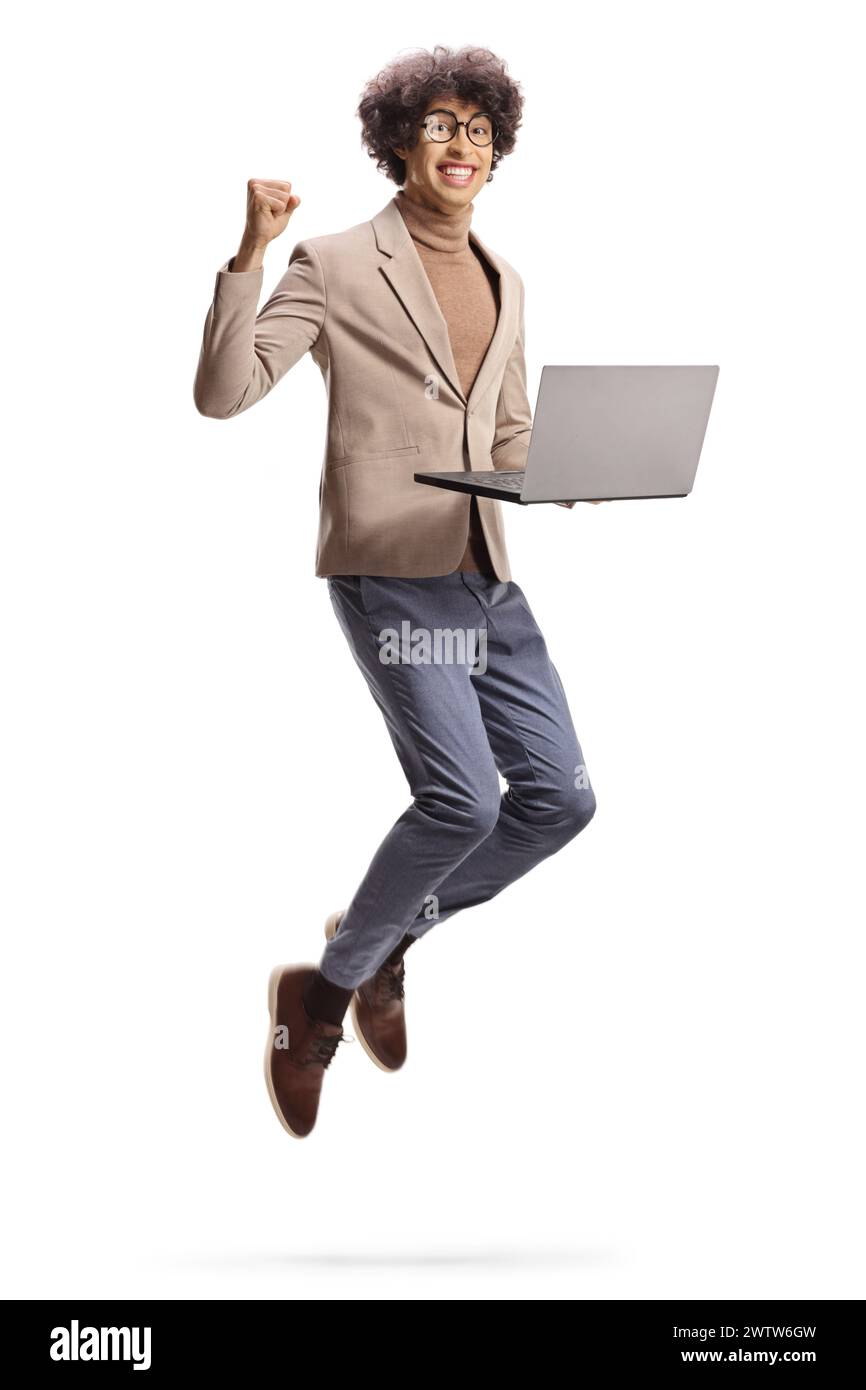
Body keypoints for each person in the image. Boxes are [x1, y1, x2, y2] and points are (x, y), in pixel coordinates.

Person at [194, 44, 600, 1140]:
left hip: (485, 573)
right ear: (397, 141)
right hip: (391, 571)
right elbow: (223, 394)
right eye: (438, 124)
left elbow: (507, 428)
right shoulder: (330, 262)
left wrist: (564, 473)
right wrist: (251, 253)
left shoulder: (508, 279)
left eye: (477, 127)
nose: (458, 143)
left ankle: (377, 939)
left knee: (559, 799)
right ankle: (322, 992)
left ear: (495, 150)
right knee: (463, 801)